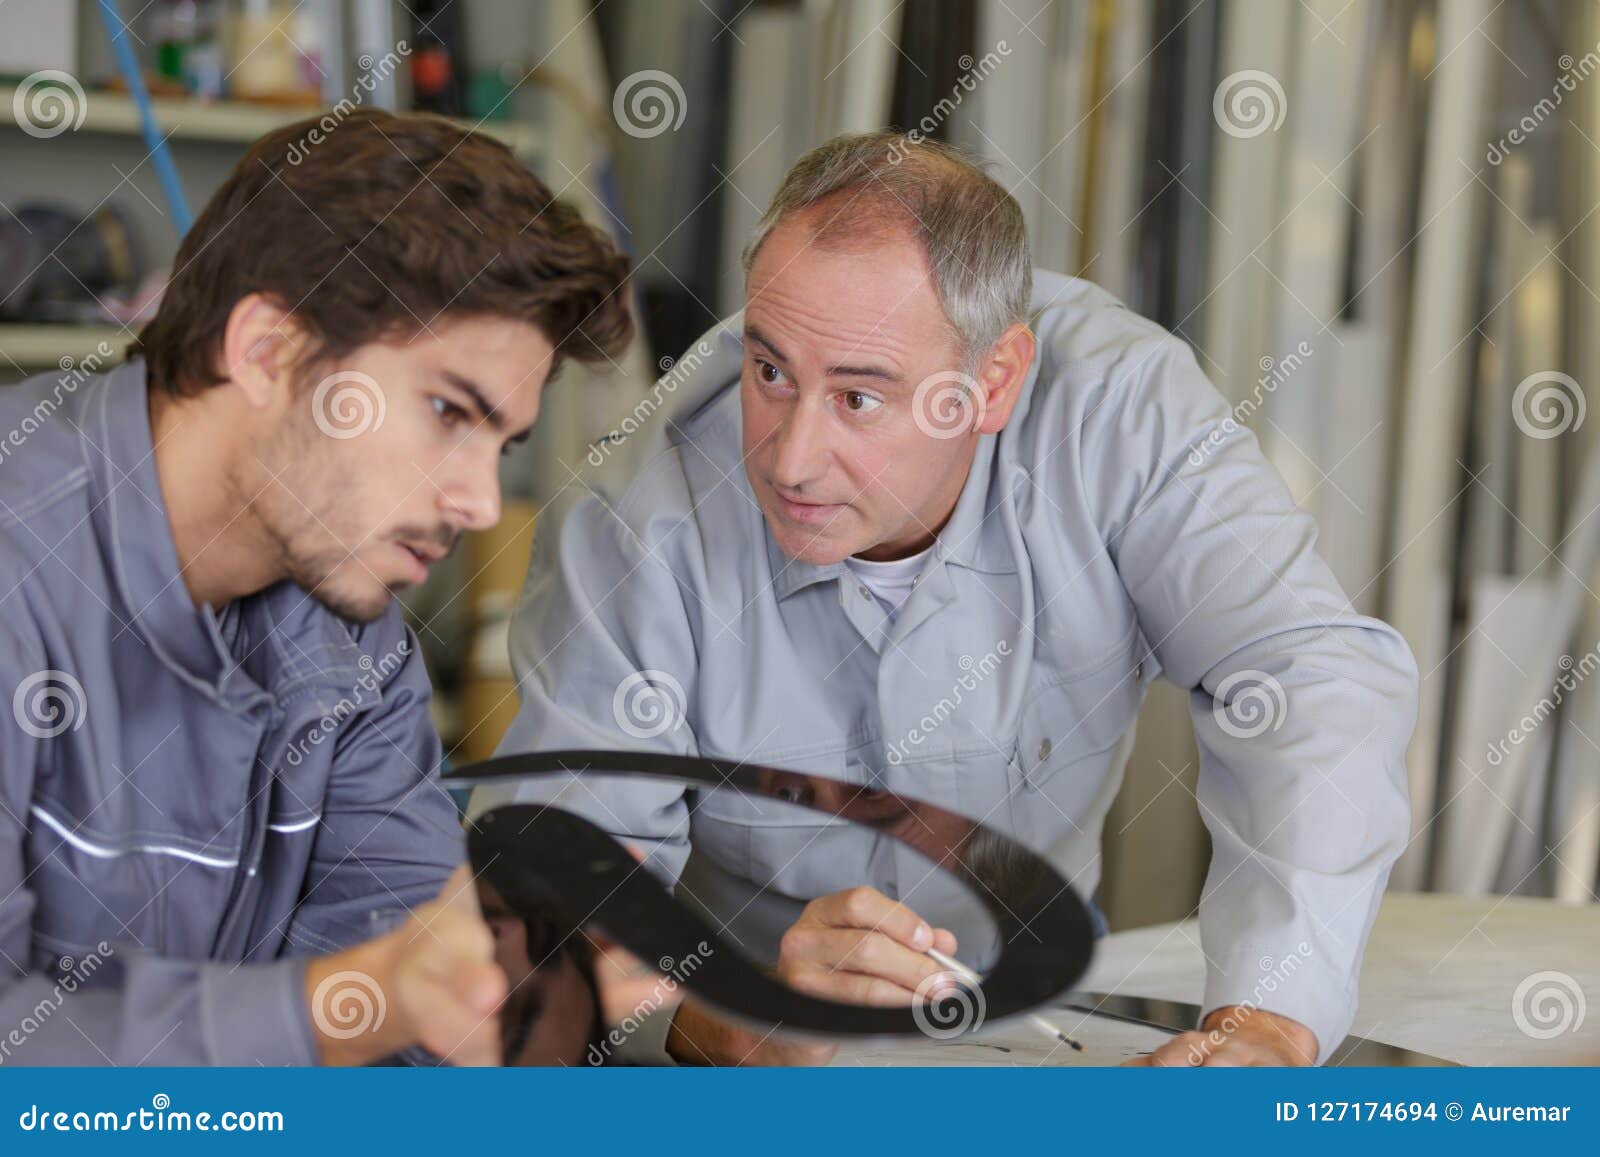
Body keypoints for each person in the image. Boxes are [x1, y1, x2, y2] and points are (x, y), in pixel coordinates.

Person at [473, 132, 1420, 1068]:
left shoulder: (1122, 416)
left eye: (859, 398)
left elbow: (1307, 678)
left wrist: (1265, 1018)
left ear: (993, 381)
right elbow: (566, 876)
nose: (791, 458)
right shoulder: (638, 515)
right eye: (770, 372)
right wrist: (726, 1025)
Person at [0, 109, 654, 1065]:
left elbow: (407, 986)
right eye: (446, 412)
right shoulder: (21, 558)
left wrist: (512, 993)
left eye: (501, 444)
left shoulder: (351, 632)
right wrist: (360, 1000)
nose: (478, 501)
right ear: (265, 349)